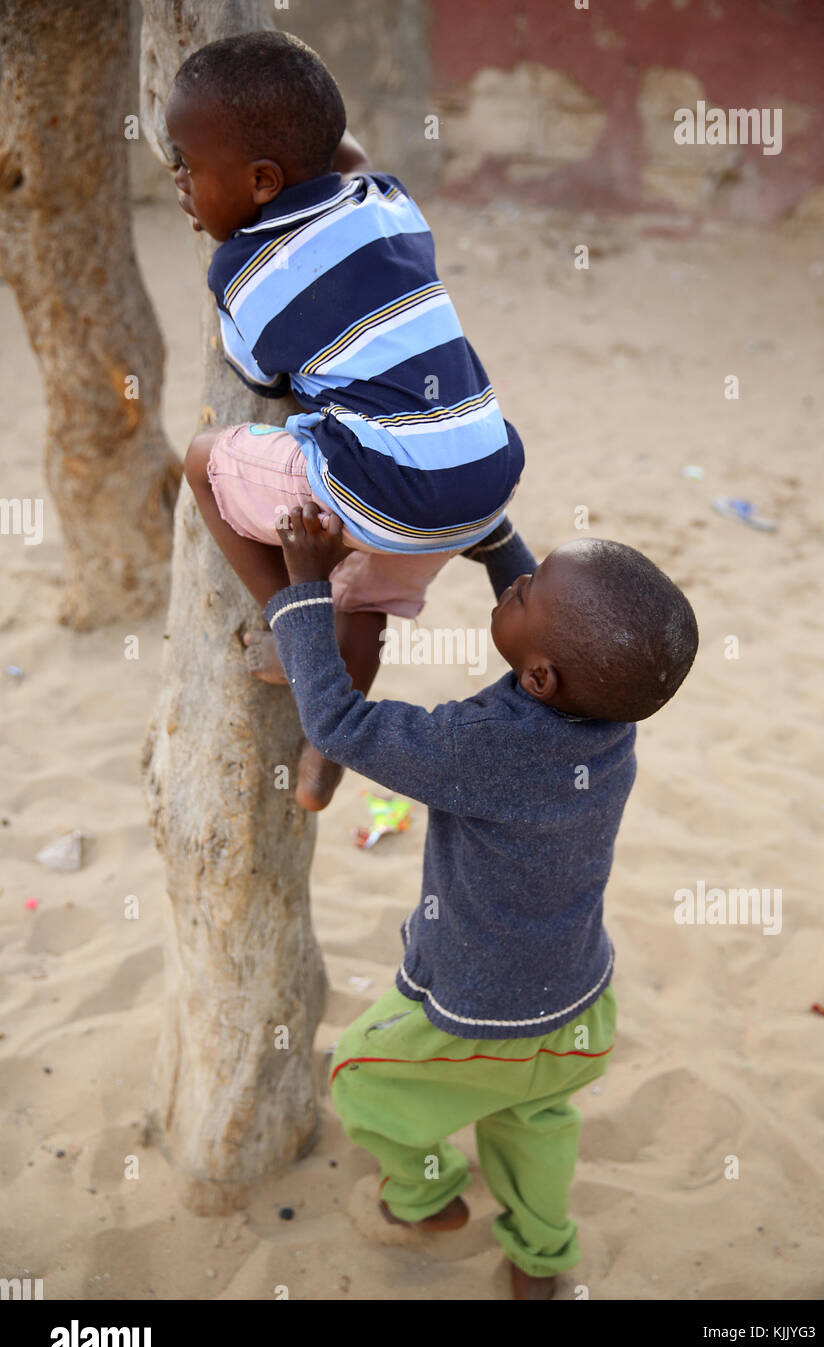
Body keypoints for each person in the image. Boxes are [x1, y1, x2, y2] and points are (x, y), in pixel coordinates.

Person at [264, 502, 699, 1300]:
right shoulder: (609, 719)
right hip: (578, 1010)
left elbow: (338, 721)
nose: (518, 583)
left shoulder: (479, 750)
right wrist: (499, 544)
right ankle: (539, 1255)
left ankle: (425, 1198)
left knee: (362, 1079)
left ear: (539, 678)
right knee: (534, 1122)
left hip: (478, 1019)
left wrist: (305, 589)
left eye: (526, 589)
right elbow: (553, 632)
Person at [163, 30, 524, 812]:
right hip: (481, 481)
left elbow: (261, 375)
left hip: (383, 489)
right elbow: (345, 156)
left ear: (262, 180)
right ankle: (329, 751)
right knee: (363, 601)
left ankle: (294, 629)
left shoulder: (245, 270)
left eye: (188, 167)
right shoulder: (389, 203)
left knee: (200, 461)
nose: (181, 185)